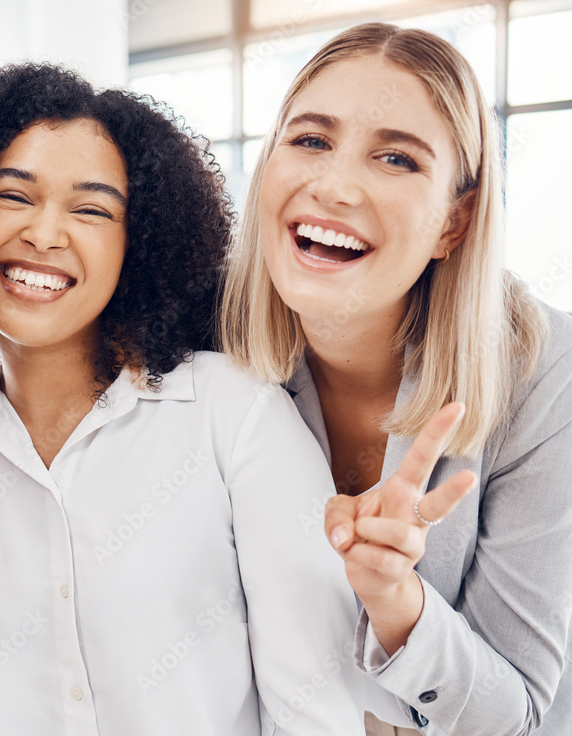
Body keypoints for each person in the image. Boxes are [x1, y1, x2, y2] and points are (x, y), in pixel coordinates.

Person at [0, 62, 366, 735]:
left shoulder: (233, 418)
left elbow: (318, 710)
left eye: (91, 209)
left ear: (138, 246)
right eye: (12, 196)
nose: (44, 233)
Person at [220, 22, 572, 736]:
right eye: (311, 140)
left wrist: (396, 599)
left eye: (396, 159)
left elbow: (518, 718)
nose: (335, 185)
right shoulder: (204, 344)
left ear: (455, 220)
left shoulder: (544, 371)